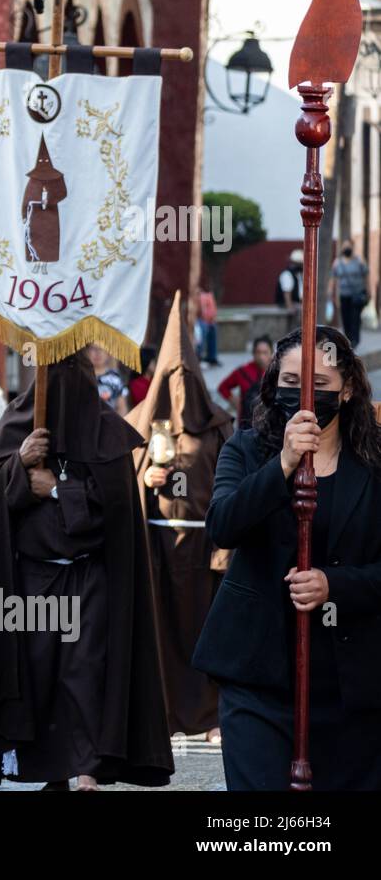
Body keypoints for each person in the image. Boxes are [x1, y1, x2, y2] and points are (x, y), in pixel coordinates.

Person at [0, 350, 173, 790]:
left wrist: (60, 489)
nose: (63, 389)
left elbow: (115, 515)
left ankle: (87, 771)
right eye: (52, 377)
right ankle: (50, 771)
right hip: (31, 583)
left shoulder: (107, 436)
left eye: (71, 375)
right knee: (36, 677)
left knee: (85, 675)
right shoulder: (16, 429)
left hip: (88, 580)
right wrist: (20, 467)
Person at [194, 325, 381, 790]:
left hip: (351, 684)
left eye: (319, 386)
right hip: (259, 675)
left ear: (349, 387)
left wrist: (335, 585)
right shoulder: (247, 449)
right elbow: (222, 526)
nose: (305, 396)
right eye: (292, 383)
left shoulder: (375, 463)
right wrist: (281, 464)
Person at [128, 294, 232, 741]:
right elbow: (118, 484)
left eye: (187, 378)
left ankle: (208, 717)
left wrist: (225, 547)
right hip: (156, 546)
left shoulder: (220, 428)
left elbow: (233, 489)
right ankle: (161, 713)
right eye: (172, 378)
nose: (181, 387)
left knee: (205, 631)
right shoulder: (138, 425)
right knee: (158, 632)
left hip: (203, 547)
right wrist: (144, 477)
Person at [218, 334, 273, 430]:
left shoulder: (277, 372)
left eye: (265, 353)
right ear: (253, 353)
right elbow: (223, 387)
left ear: (271, 354)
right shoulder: (243, 371)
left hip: (270, 426)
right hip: (246, 425)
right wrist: (236, 402)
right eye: (258, 352)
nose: (261, 356)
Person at [330, 244, 369, 347]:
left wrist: (368, 291)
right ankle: (348, 339)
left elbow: (366, 275)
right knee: (346, 318)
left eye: (348, 246)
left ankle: (355, 340)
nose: (347, 249)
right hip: (344, 295)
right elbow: (334, 280)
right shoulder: (337, 263)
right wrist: (334, 295)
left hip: (357, 295)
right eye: (345, 246)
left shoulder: (359, 261)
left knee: (355, 318)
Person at [194, 287, 219, 367]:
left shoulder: (207, 297)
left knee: (213, 328)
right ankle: (198, 356)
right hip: (196, 320)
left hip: (205, 320)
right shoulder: (195, 298)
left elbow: (212, 312)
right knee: (202, 328)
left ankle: (212, 357)